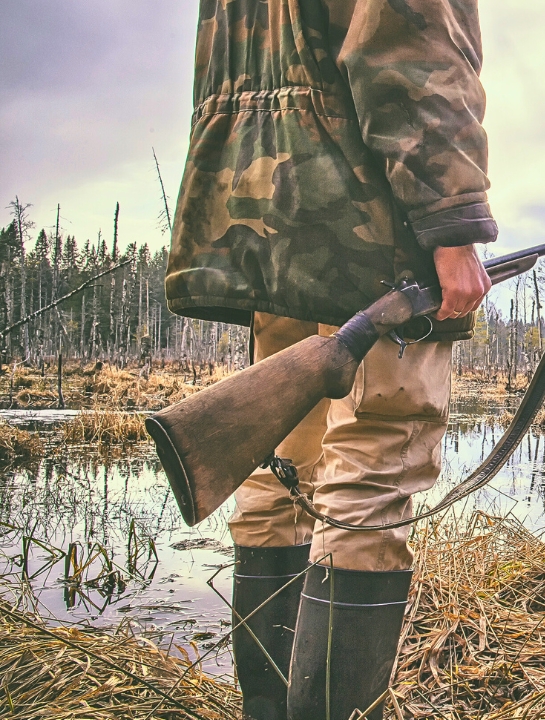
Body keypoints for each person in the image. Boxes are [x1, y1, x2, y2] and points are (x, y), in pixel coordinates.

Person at [164, 1, 495, 718]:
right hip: (369, 222)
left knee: (282, 464)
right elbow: (412, 43)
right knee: (375, 462)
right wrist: (451, 220)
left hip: (263, 209)